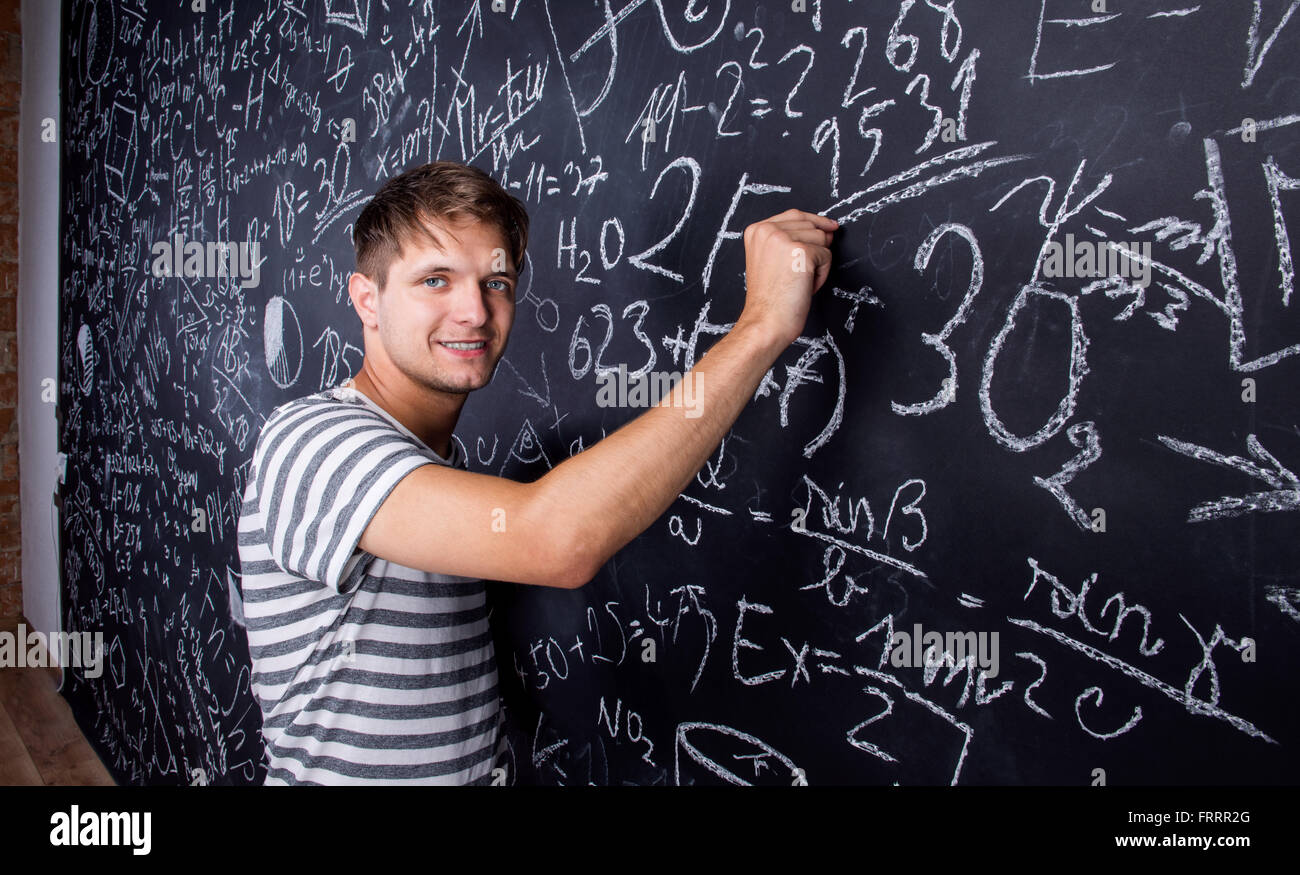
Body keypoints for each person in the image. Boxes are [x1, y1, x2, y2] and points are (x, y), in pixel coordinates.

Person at [236, 160, 837, 784]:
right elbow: (555, 540)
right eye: (436, 280)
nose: (474, 310)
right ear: (368, 299)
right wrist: (763, 323)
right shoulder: (310, 441)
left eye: (495, 281)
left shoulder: (436, 467)